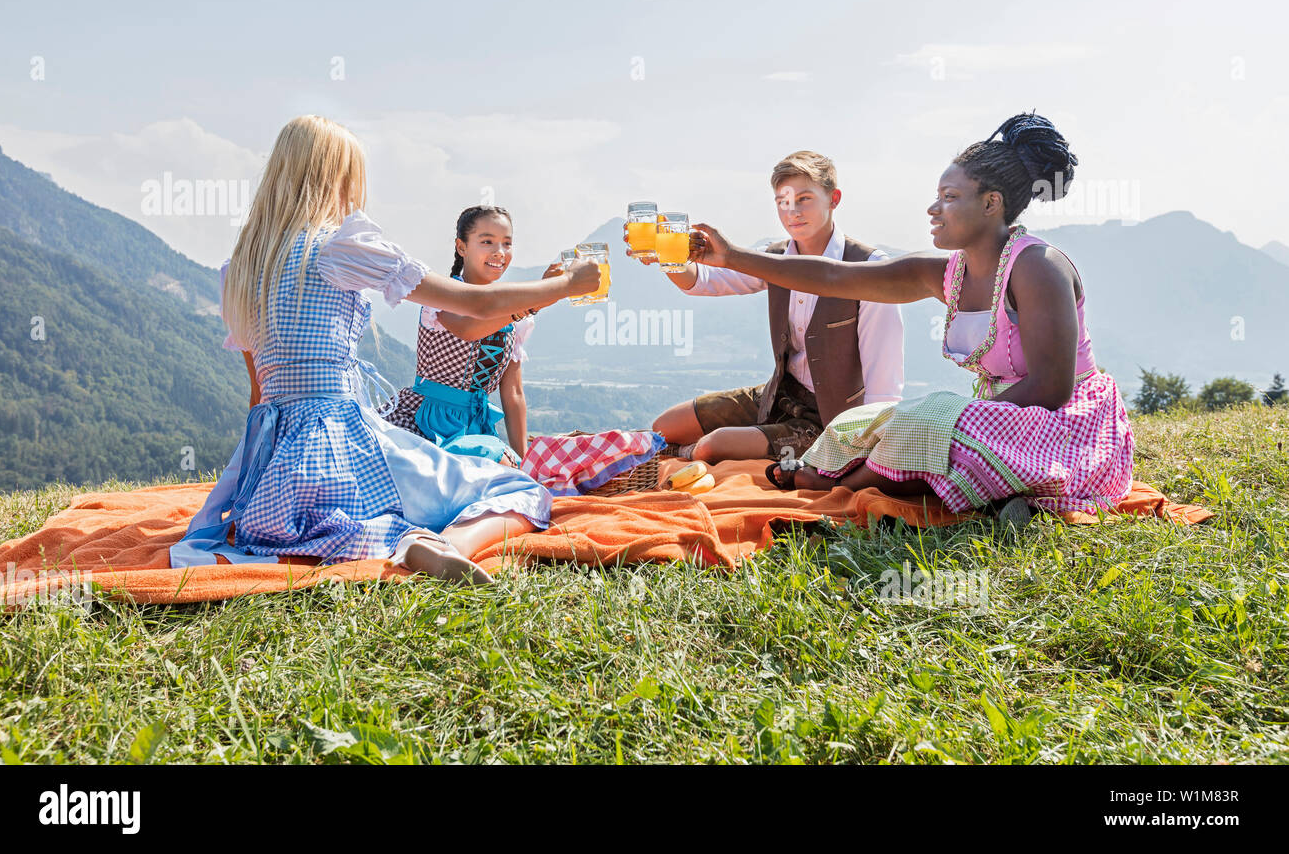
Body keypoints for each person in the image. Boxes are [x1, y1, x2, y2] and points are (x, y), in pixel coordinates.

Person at [170, 116, 600, 583]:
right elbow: (475, 305)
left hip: (271, 469)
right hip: (340, 441)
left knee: (327, 518)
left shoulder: (238, 270)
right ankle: (439, 544)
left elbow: (258, 397)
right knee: (521, 490)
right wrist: (564, 284)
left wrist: (254, 479)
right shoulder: (341, 248)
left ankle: (386, 535)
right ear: (338, 178)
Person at [687, 113, 1134, 527]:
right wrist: (732, 256)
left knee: (929, 421)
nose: (932, 209)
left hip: (1065, 428)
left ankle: (833, 483)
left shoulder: (1037, 266)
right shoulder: (945, 273)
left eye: (949, 197)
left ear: (991, 204)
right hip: (1002, 420)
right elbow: (831, 274)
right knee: (866, 422)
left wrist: (956, 417)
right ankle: (988, 497)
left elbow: (1052, 389)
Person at [635, 151, 904, 465]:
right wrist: (668, 258)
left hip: (831, 422)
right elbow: (704, 281)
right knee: (665, 426)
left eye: (804, 198)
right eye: (782, 201)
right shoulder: (772, 259)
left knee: (713, 446)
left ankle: (688, 460)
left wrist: (863, 451)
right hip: (777, 396)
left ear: (834, 198)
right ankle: (689, 456)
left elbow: (885, 385)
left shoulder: (870, 268)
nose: (792, 211)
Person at [382, 205, 552, 466]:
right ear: (462, 247)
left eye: (507, 244)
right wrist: (540, 298)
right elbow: (469, 327)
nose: (499, 252)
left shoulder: (516, 318)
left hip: (475, 429)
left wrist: (526, 464)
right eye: (487, 242)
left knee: (512, 470)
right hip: (425, 421)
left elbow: (514, 394)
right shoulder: (444, 295)